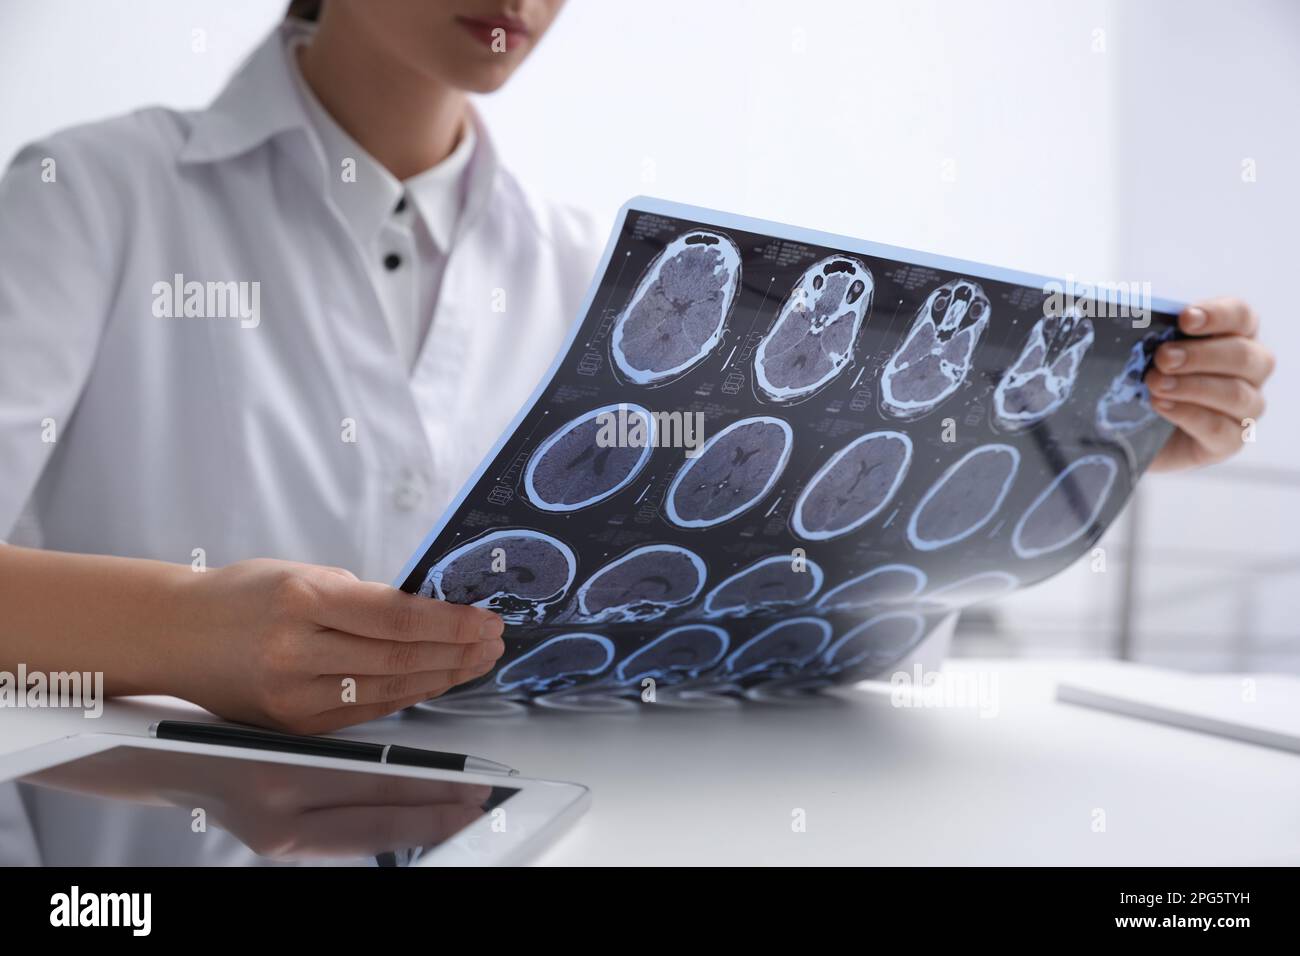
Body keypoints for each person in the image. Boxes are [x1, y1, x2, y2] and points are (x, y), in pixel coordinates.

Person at [0, 1, 1275, 734]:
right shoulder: (90, 196)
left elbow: (787, 613)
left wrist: (1081, 448)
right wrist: (182, 631)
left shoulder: (599, 277)